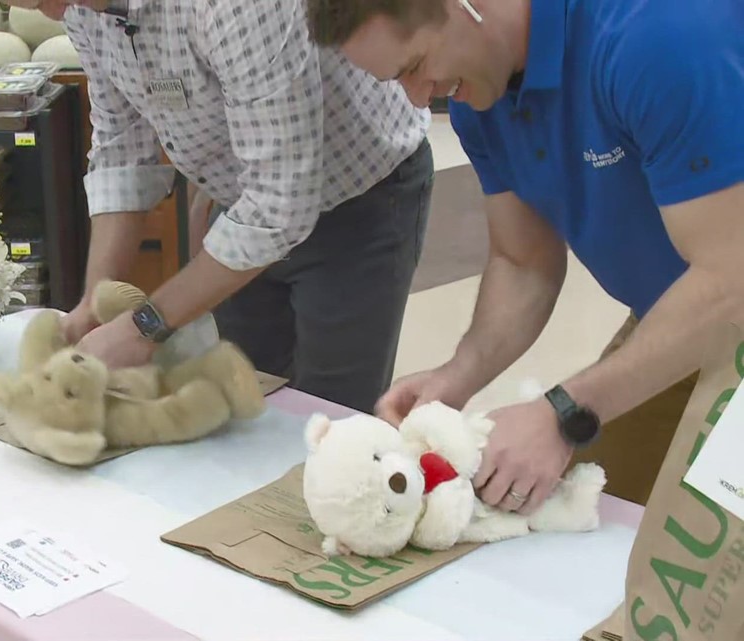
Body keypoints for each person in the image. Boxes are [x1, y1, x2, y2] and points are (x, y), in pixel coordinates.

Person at [304, 0, 744, 510]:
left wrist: (564, 412)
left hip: (723, 298)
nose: (420, 100)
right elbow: (523, 263)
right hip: (685, 316)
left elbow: (731, 277)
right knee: (592, 516)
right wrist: (458, 376)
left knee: (707, 561)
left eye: (416, 67)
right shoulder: (480, 93)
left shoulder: (657, 36)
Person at [4, 0, 436, 414]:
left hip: (358, 199)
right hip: (243, 211)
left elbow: (277, 205)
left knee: (329, 422)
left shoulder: (233, 4)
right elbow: (120, 147)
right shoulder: (84, 12)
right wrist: (95, 305)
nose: (55, 12)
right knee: (239, 399)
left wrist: (146, 326)